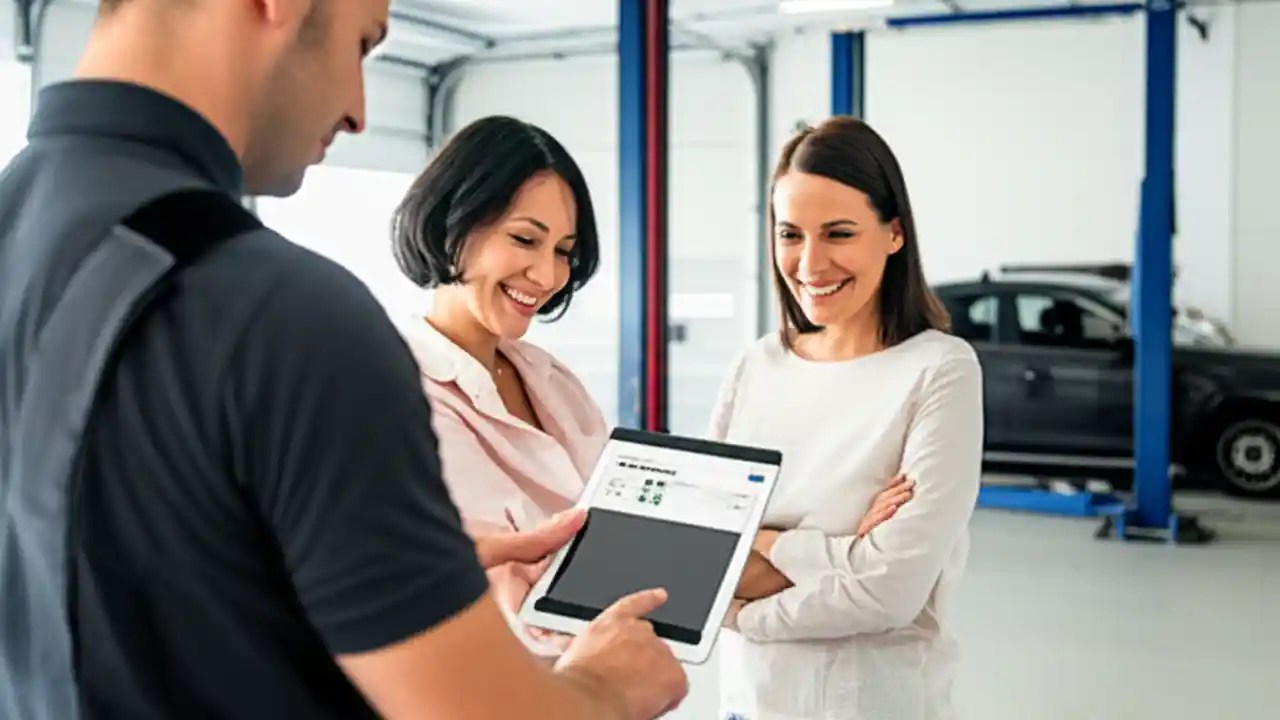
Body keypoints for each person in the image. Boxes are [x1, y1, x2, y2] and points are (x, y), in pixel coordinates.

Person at [0, 1, 687, 719]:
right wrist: (608, 687)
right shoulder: (285, 316)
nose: (359, 111)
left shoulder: (27, 230)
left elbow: (138, 601)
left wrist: (397, 569)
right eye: (362, 45)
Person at [710, 117, 985, 720]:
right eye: (790, 234)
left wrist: (740, 593)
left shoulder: (940, 370)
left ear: (893, 234)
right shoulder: (755, 365)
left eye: (838, 233)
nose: (810, 263)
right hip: (747, 703)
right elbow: (702, 551)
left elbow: (889, 591)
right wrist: (842, 551)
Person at [390, 116, 608, 654]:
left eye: (562, 250)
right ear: (453, 226)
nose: (548, 275)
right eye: (524, 239)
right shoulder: (394, 391)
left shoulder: (553, 381)